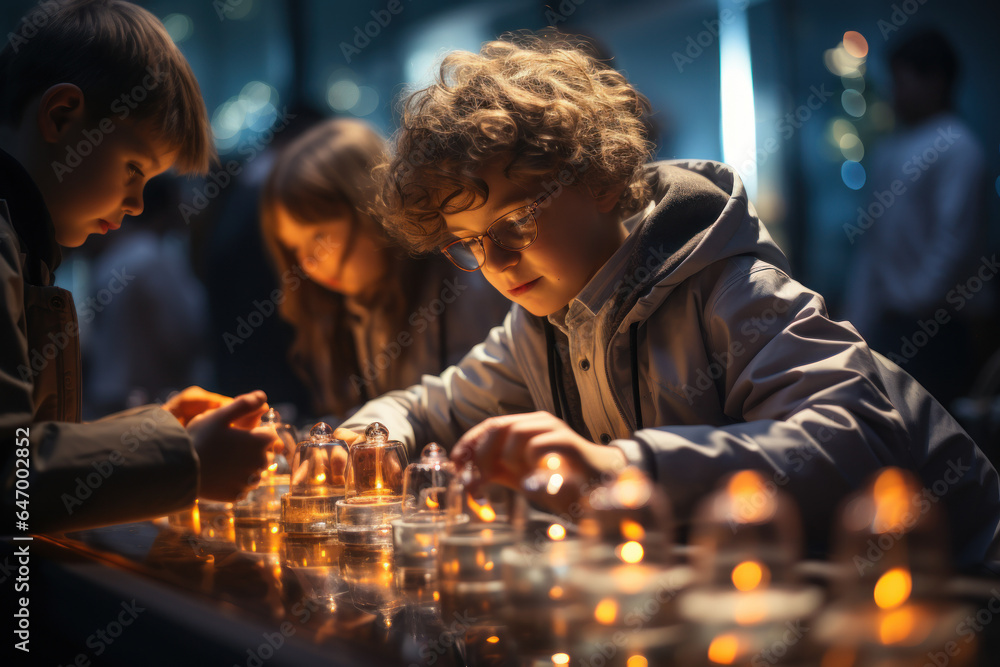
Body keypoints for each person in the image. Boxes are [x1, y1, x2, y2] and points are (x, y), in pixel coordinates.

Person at [334, 34, 1000, 571]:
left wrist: (624, 466)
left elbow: (860, 439)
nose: (497, 264)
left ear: (598, 178)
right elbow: (425, 405)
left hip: (962, 586)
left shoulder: (730, 285)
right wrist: (367, 440)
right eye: (472, 243)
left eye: (514, 223)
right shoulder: (536, 325)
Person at [0, 0, 275, 534]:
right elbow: (11, 479)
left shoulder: (23, 243)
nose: (137, 204)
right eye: (134, 169)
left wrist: (162, 431)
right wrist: (184, 459)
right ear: (61, 116)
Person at [260, 118, 510, 420]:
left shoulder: (469, 282)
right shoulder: (337, 313)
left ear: (371, 209)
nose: (308, 263)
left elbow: (496, 405)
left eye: (318, 236)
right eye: (294, 248)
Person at [841, 29, 992, 407]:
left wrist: (912, 303)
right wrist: (856, 321)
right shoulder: (892, 148)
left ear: (937, 81)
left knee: (937, 437)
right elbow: (874, 247)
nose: (895, 92)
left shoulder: (959, 147)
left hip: (944, 326)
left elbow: (953, 243)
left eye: (903, 81)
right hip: (892, 323)